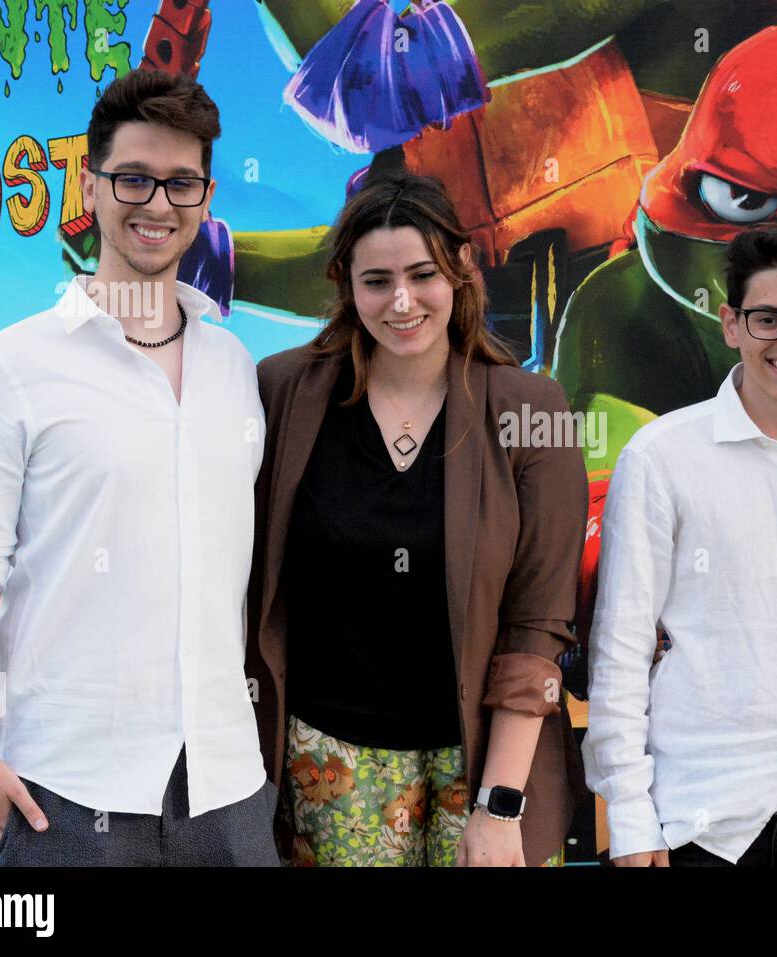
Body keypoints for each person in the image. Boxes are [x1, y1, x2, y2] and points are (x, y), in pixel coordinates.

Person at [0, 69, 279, 866]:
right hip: (61, 790)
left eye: (181, 184)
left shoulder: (236, 369)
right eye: (133, 178)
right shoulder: (8, 367)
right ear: (89, 185)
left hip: (226, 790)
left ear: (207, 195)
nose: (158, 205)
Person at [245, 172, 588, 867]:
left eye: (422, 273)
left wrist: (498, 806)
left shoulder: (532, 407)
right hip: (328, 763)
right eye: (377, 280)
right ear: (345, 282)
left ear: (462, 268)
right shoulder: (281, 391)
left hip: (490, 769)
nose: (401, 302)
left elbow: (540, 619)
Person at [582, 225, 777, 866]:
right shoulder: (662, 455)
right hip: (700, 819)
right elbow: (620, 650)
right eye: (768, 319)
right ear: (730, 322)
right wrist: (632, 820)